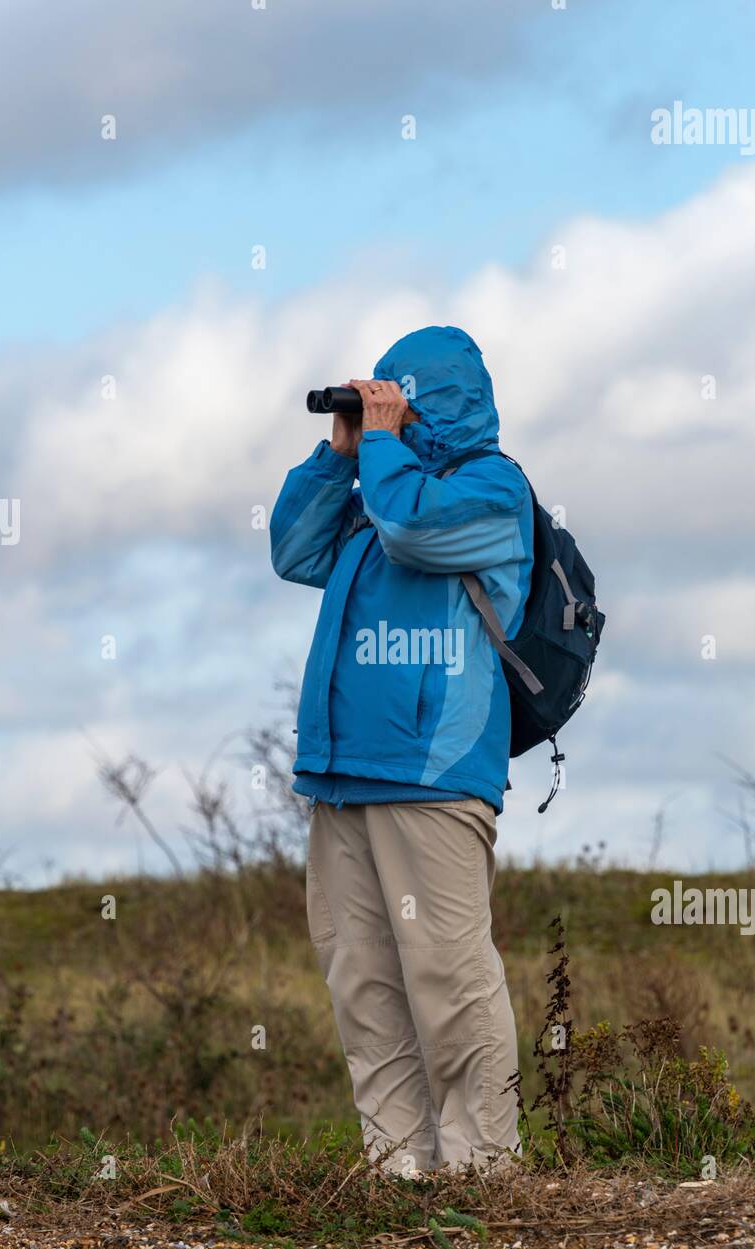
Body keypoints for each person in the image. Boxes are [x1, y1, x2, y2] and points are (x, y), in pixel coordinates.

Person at [270, 325, 534, 1173]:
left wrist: (382, 451)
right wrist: (340, 453)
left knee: (449, 981)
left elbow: (416, 533)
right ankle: (401, 1174)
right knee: (365, 985)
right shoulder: (372, 485)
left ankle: (485, 1173)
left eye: (393, 395)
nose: (376, 408)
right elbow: (291, 550)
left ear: (433, 401)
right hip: (343, 776)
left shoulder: (494, 490)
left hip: (432, 774)